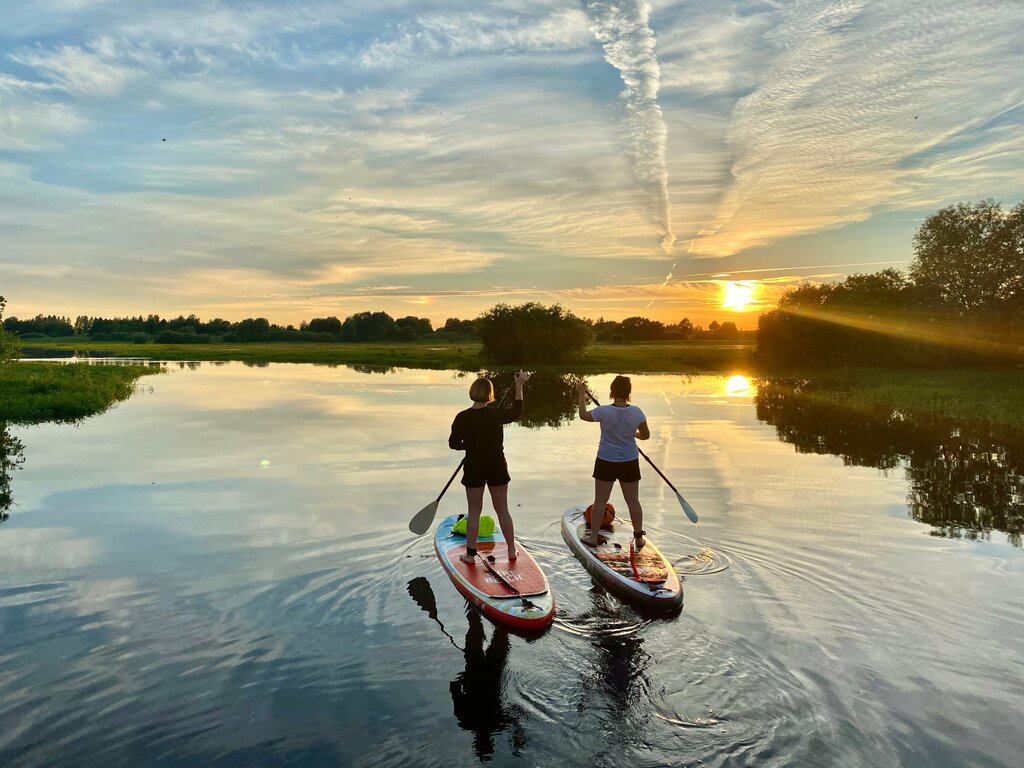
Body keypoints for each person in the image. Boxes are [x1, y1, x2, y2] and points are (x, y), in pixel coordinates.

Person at [449, 371, 530, 564]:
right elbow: (516, 411)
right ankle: (511, 551)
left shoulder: (462, 417)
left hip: (474, 466)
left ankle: (470, 555)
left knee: (474, 510)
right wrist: (519, 385)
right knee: (503, 509)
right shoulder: (495, 415)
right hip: (496, 466)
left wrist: (468, 445)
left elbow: (453, 443)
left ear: (472, 392)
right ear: (490, 395)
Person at [576, 375, 650, 549]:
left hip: (606, 460)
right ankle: (639, 538)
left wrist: (581, 394)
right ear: (629, 393)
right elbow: (646, 435)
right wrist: (635, 434)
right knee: (633, 500)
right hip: (629, 460)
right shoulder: (637, 412)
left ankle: (593, 537)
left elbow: (583, 415)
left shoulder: (603, 411)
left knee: (600, 500)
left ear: (611, 392)